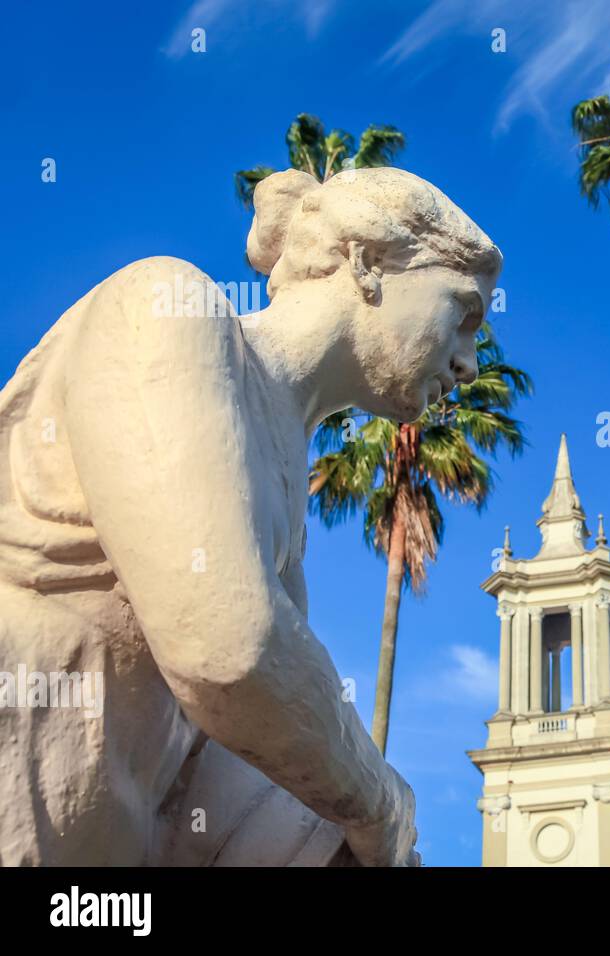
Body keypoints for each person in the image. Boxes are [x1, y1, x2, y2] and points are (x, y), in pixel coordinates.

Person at [0, 167, 501, 865]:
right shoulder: (166, 307)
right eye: (465, 314)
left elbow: (227, 756)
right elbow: (224, 650)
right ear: (368, 262)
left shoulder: (284, 482)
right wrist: (382, 804)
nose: (471, 361)